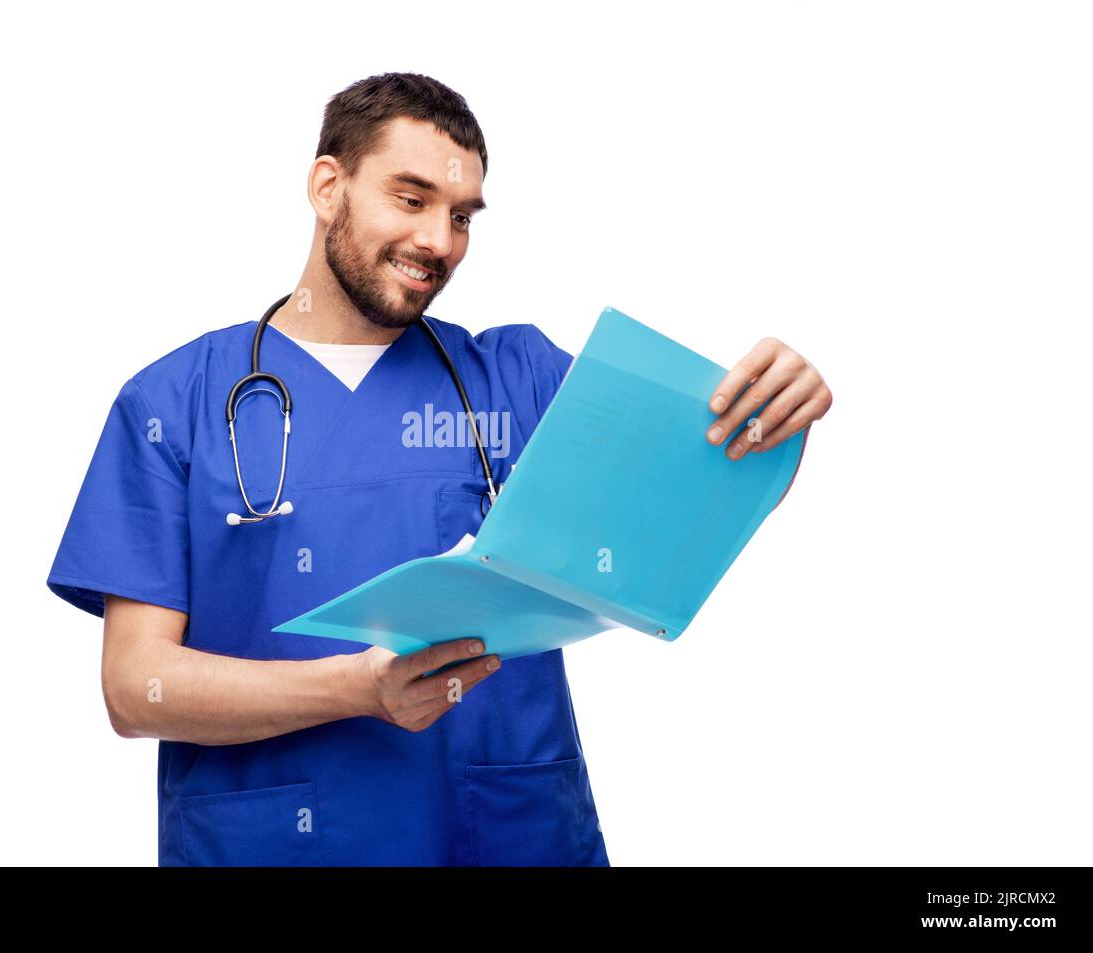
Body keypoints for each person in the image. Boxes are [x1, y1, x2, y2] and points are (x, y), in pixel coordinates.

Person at [46, 72, 833, 866]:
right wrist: (355, 691)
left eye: (462, 216)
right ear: (329, 187)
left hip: (511, 835)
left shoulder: (518, 380)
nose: (441, 241)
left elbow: (700, 503)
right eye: (411, 198)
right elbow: (134, 687)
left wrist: (776, 415)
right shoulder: (174, 404)